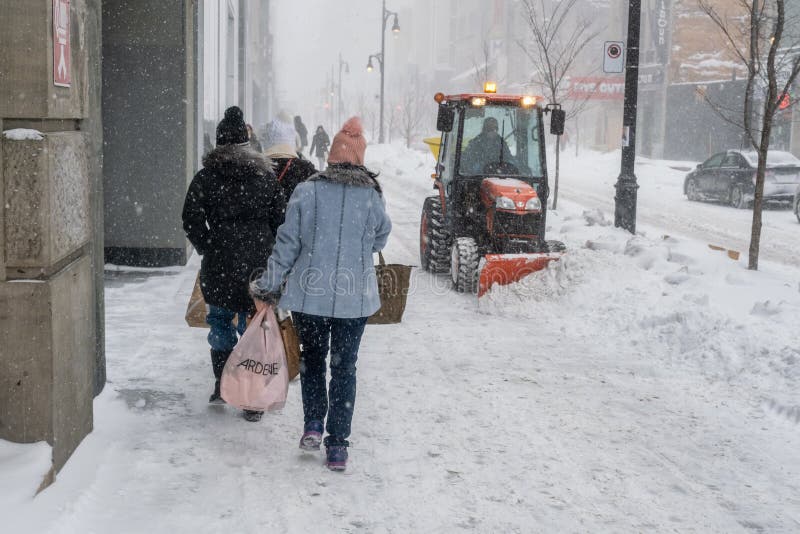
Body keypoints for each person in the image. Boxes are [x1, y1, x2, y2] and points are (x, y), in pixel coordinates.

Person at [250, 117, 392, 471]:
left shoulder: (307, 192)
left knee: (313, 360)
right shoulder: (371, 196)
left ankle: (313, 424)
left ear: (331, 157)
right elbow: (380, 238)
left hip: (309, 296)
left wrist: (268, 284)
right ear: (359, 158)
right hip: (353, 298)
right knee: (345, 368)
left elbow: (286, 244)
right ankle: (338, 445)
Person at [182, 106, 283, 423]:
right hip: (258, 267)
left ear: (219, 142)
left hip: (220, 264)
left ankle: (221, 383)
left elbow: (191, 219)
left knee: (221, 325)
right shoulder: (265, 178)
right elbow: (281, 222)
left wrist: (208, 246)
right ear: (246, 142)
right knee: (255, 329)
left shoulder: (206, 178)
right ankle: (252, 397)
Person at [263, 116, 317, 220]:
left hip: (264, 229)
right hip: (295, 225)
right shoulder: (304, 168)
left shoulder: (256, 166)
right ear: (291, 142)